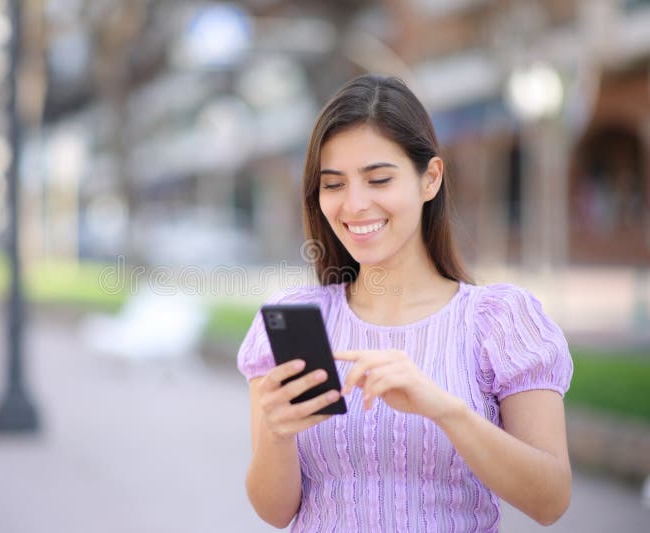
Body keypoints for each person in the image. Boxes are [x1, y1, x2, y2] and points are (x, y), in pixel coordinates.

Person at [237, 74, 573, 532]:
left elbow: (550, 499)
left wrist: (444, 408)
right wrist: (277, 433)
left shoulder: (498, 321)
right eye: (333, 185)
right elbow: (275, 512)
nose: (355, 205)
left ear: (430, 179)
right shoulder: (300, 321)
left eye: (378, 179)